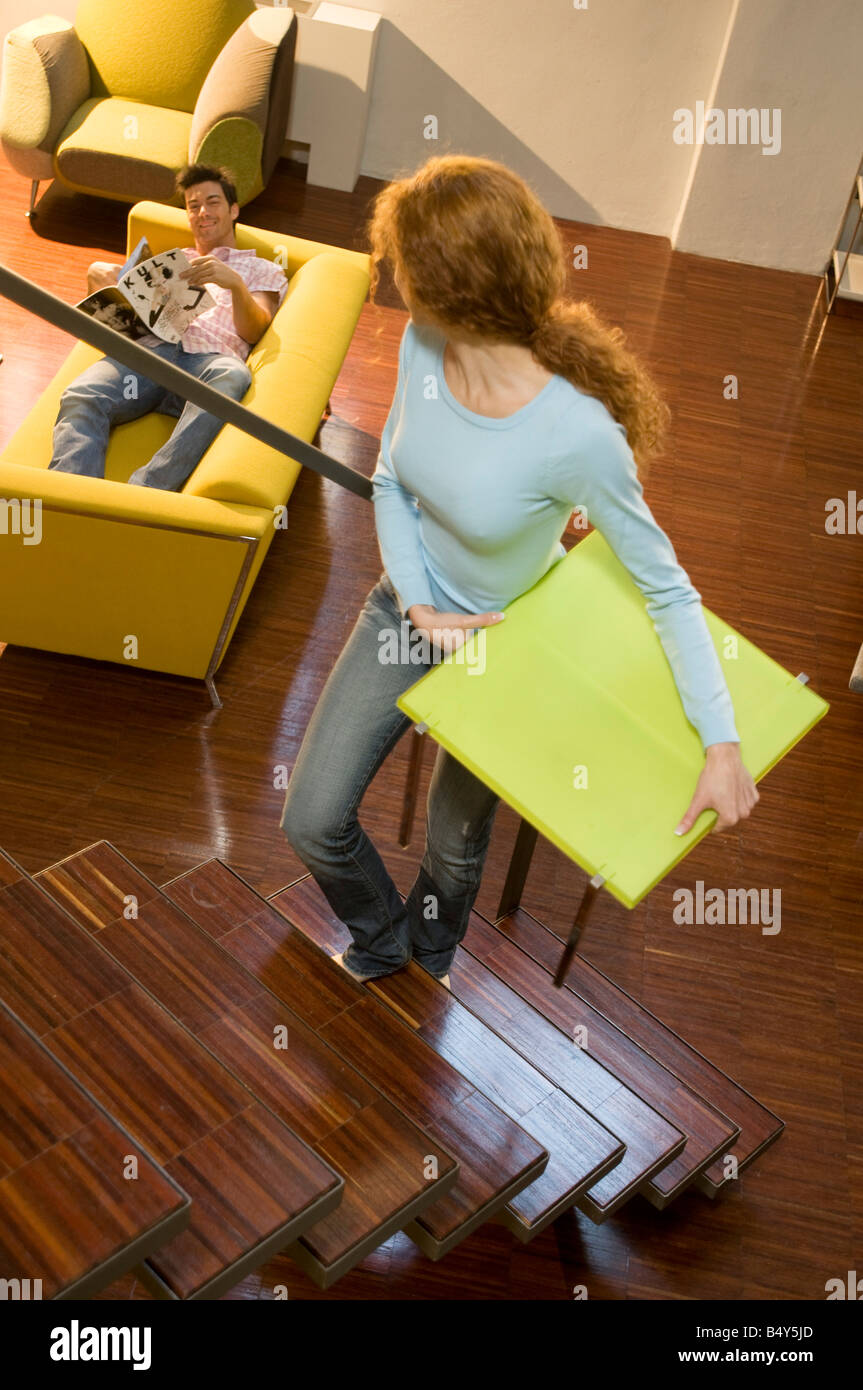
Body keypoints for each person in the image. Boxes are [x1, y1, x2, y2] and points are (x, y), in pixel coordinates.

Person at [280, 153, 758, 987]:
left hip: (508, 643)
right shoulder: (423, 344)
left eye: (405, 267)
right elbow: (389, 480)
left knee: (452, 847)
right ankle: (383, 940)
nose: (392, 279)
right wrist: (420, 606)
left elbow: (665, 587)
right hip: (407, 610)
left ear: (451, 290)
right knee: (312, 819)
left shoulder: (577, 434)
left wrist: (721, 742)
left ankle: (429, 956)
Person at [48, 164, 287, 490]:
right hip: (148, 360)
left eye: (213, 202)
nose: (203, 213)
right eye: (193, 206)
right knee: (82, 395)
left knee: (234, 375)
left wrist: (235, 285)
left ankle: (145, 493)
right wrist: (100, 284)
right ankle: (71, 497)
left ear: (233, 210)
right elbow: (118, 324)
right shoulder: (169, 260)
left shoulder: (261, 268)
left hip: (206, 366)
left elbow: (255, 331)